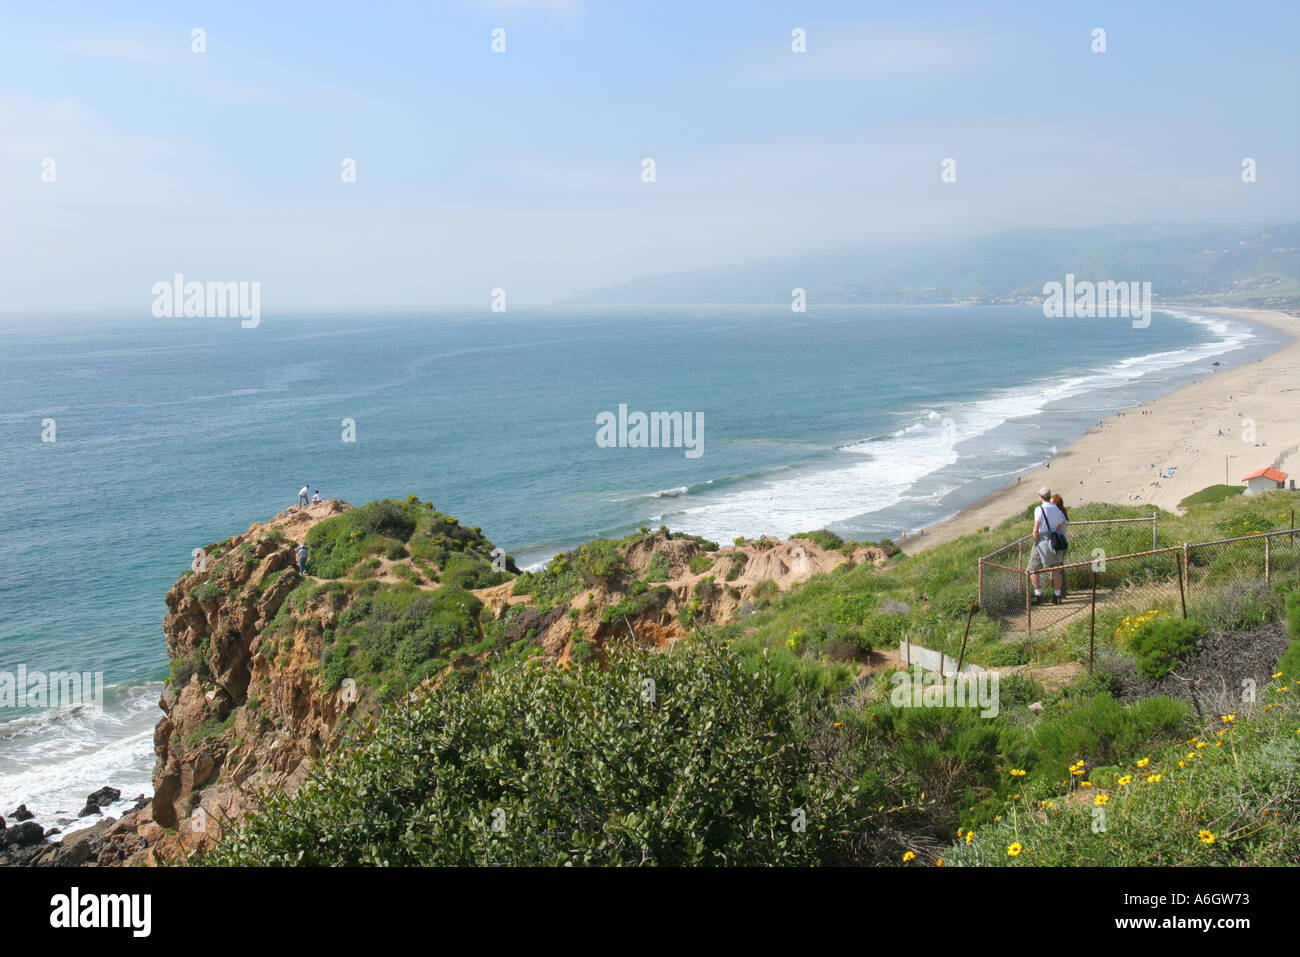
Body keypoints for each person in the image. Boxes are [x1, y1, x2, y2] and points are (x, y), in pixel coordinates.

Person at [1028, 487, 1067, 605]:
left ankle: (1038, 594)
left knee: (1032, 569)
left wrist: (1035, 542)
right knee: (1056, 569)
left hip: (1042, 540)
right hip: (1055, 539)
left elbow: (1036, 528)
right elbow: (1060, 526)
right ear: (1049, 497)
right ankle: (1057, 595)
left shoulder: (1039, 509)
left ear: (1040, 497)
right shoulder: (1056, 509)